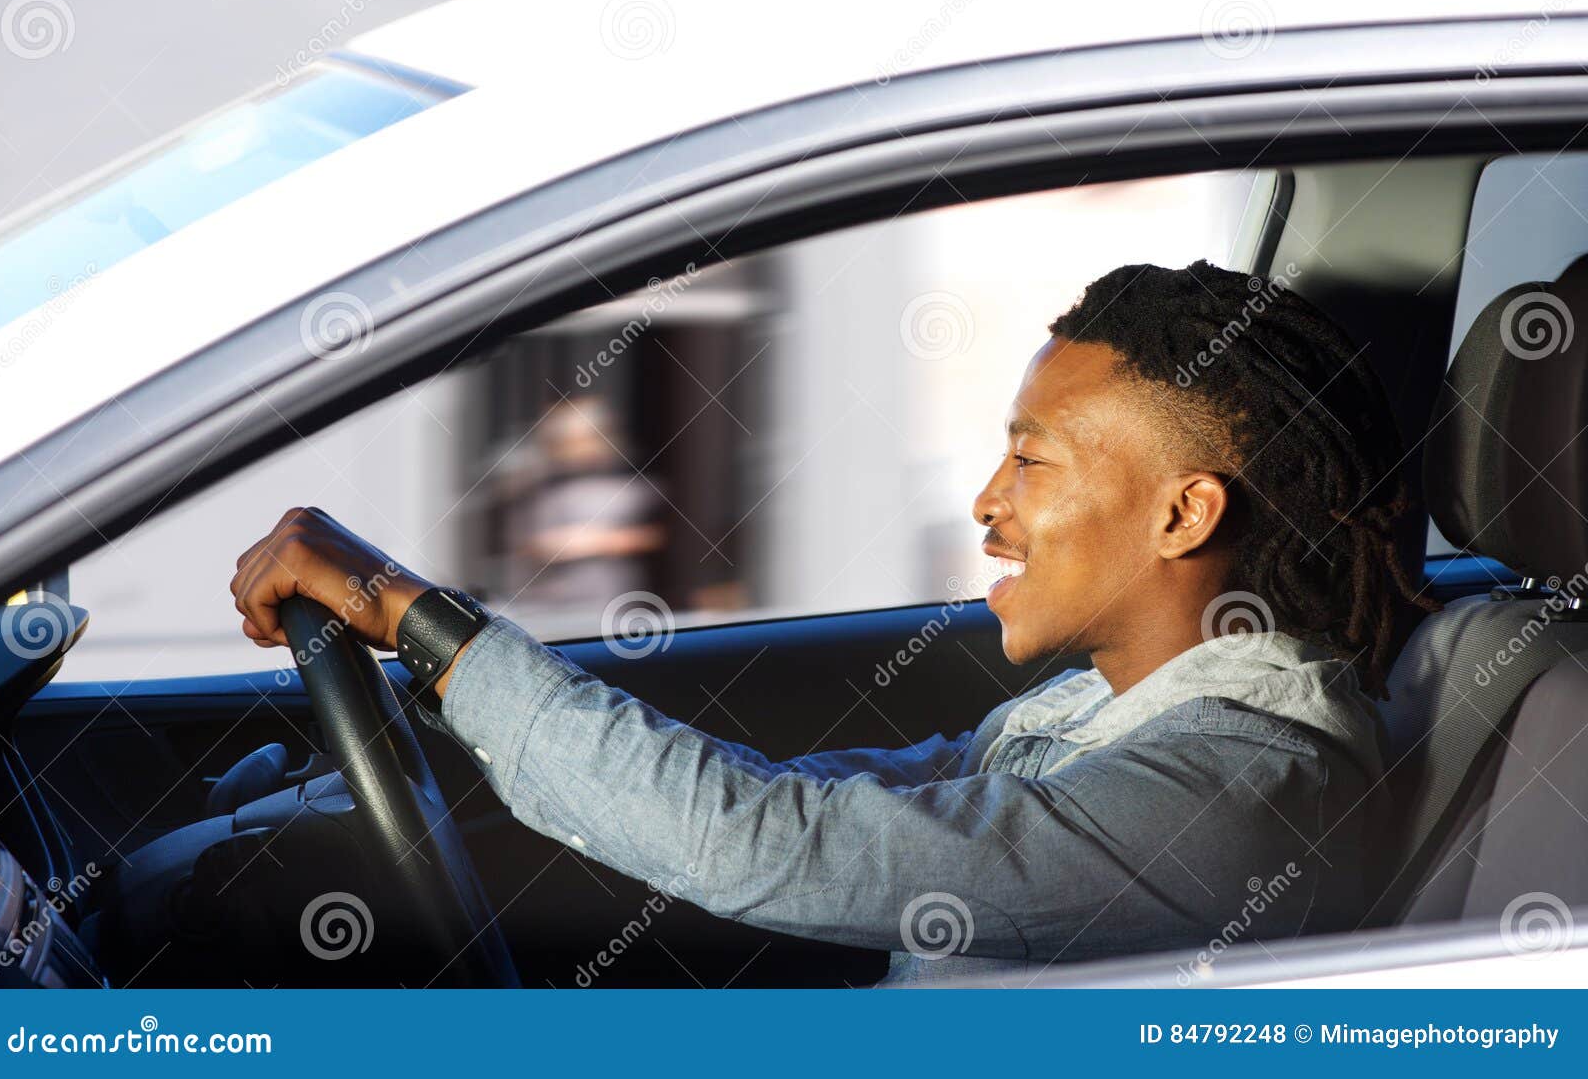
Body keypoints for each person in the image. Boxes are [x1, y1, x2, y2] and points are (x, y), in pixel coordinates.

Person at [228, 260, 1434, 983]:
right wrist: (455, 744)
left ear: (1184, 514)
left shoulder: (1234, 791)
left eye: (1031, 460)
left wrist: (410, 617)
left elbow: (776, 847)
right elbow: (796, 801)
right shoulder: (1104, 712)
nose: (986, 505)